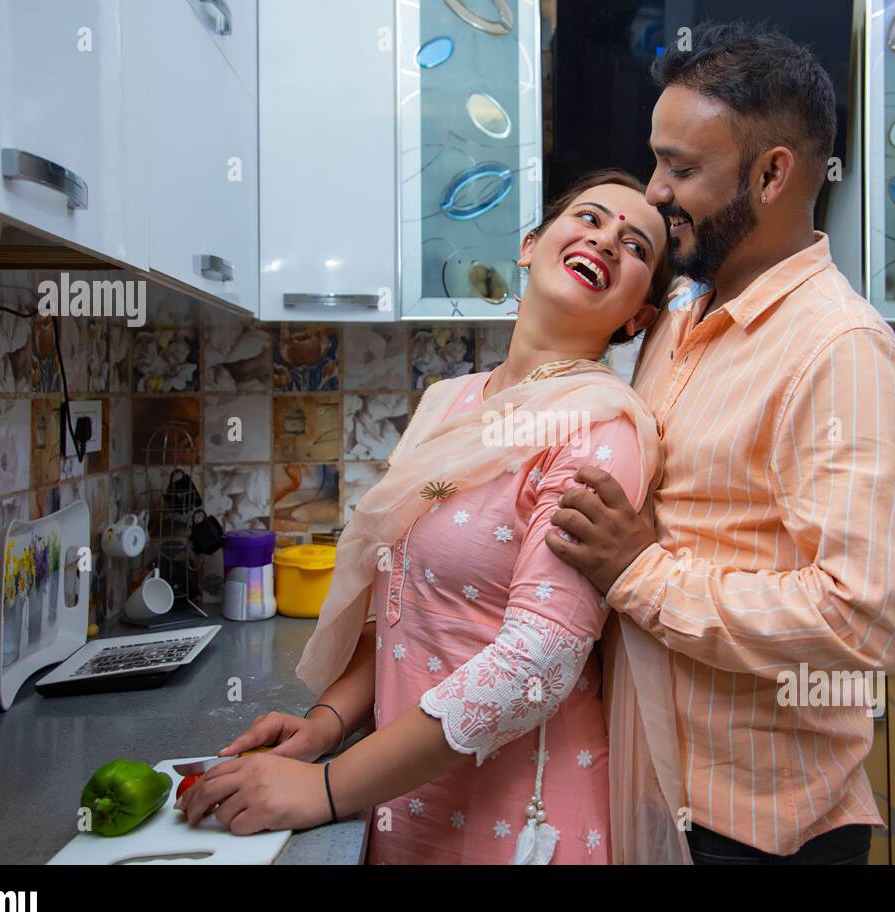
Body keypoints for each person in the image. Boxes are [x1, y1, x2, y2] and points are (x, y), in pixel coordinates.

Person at [177, 170, 681, 864]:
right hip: (398, 795)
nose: (606, 240)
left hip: (524, 821)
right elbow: (400, 610)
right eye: (590, 219)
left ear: (637, 317)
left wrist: (323, 789)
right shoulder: (449, 402)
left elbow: (536, 664)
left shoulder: (600, 432)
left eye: (637, 247)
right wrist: (324, 726)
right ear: (530, 247)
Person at [545, 24, 895, 865]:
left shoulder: (841, 352)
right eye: (657, 160)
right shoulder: (681, 312)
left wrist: (640, 572)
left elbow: (867, 624)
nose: (655, 190)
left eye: (681, 169)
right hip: (649, 797)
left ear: (771, 174)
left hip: (755, 833)